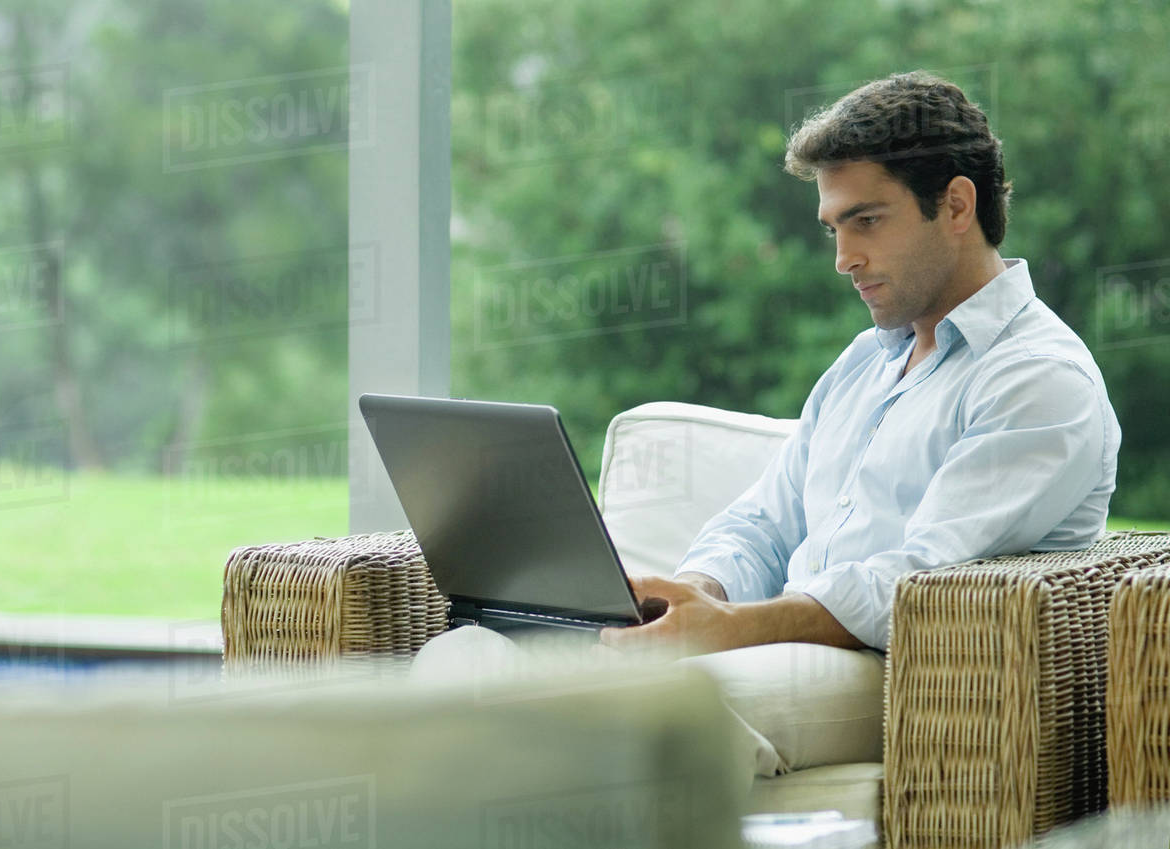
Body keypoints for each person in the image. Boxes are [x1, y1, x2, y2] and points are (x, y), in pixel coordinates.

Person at [416, 71, 1120, 780]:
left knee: (627, 705)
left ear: (957, 204)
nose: (844, 258)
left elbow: (920, 583)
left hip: (905, 678)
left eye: (867, 220)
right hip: (783, 648)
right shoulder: (865, 364)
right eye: (834, 228)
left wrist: (732, 629)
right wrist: (694, 594)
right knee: (465, 658)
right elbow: (763, 522)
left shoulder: (1037, 378)